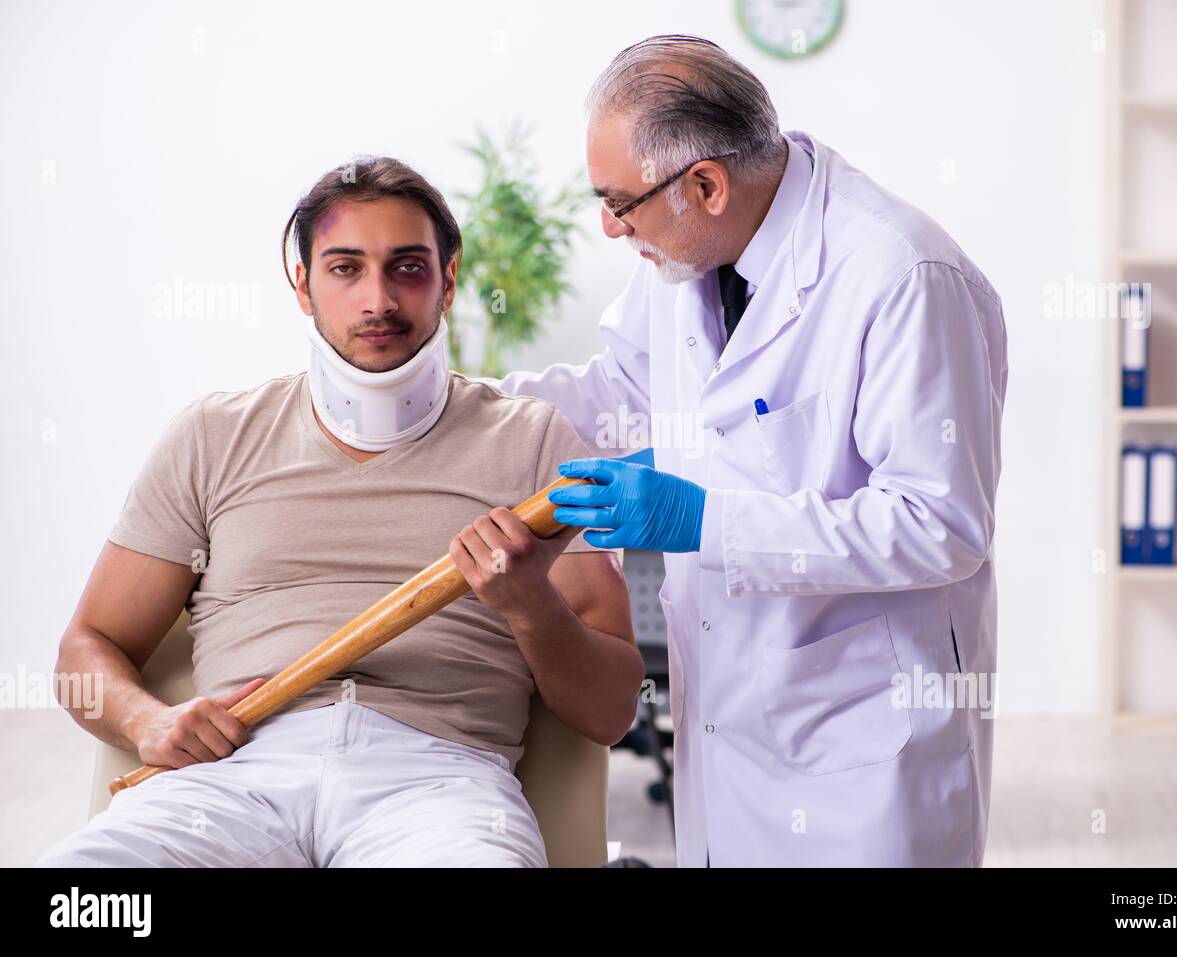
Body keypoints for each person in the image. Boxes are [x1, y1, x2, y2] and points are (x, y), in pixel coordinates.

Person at [36, 156, 641, 868]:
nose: (377, 299)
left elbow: (611, 710)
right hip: (232, 775)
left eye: (407, 267)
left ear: (448, 281)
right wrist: (148, 720)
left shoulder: (533, 439)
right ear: (303, 285)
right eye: (346, 268)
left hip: (440, 786)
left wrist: (530, 602)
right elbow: (88, 645)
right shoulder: (212, 434)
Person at [498, 35, 1009, 866]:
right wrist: (464, 408)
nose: (608, 224)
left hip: (860, 741)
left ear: (704, 183)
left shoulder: (901, 274)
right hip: (731, 721)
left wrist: (704, 518)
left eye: (618, 202)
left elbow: (940, 523)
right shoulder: (683, 250)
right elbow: (624, 391)